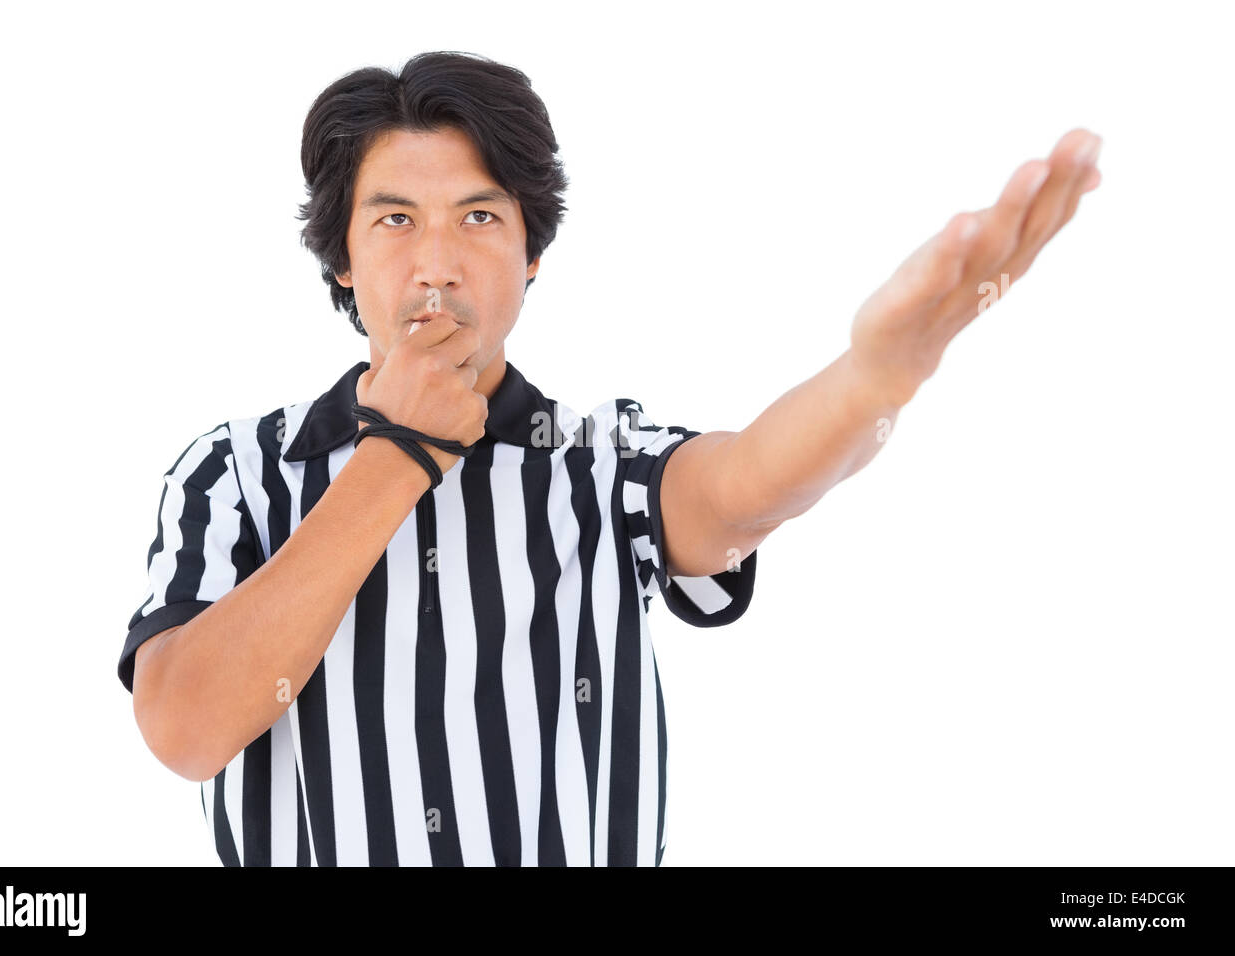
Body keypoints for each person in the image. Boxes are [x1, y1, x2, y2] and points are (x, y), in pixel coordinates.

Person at [118, 51, 1102, 866]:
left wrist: (873, 378)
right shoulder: (234, 472)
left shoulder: (598, 461)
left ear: (532, 255)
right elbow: (186, 729)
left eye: (480, 216)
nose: (437, 264)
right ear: (341, 256)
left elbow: (743, 487)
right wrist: (398, 453)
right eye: (394, 219)